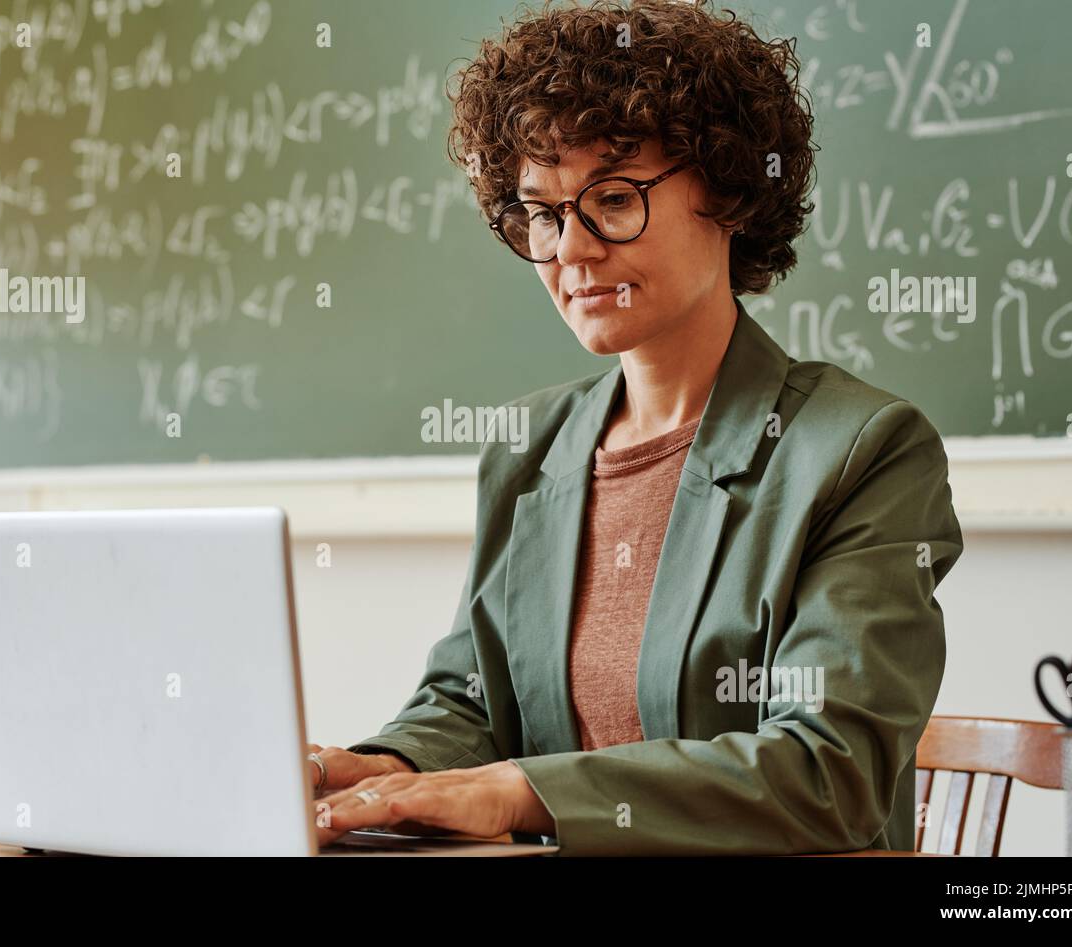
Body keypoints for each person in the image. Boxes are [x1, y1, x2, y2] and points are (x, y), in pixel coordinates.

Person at [307, 0, 964, 855]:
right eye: (541, 212)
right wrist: (381, 768)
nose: (570, 249)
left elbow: (826, 772)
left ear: (729, 192)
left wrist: (519, 790)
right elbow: (473, 698)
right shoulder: (531, 447)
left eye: (612, 199)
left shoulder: (861, 449)